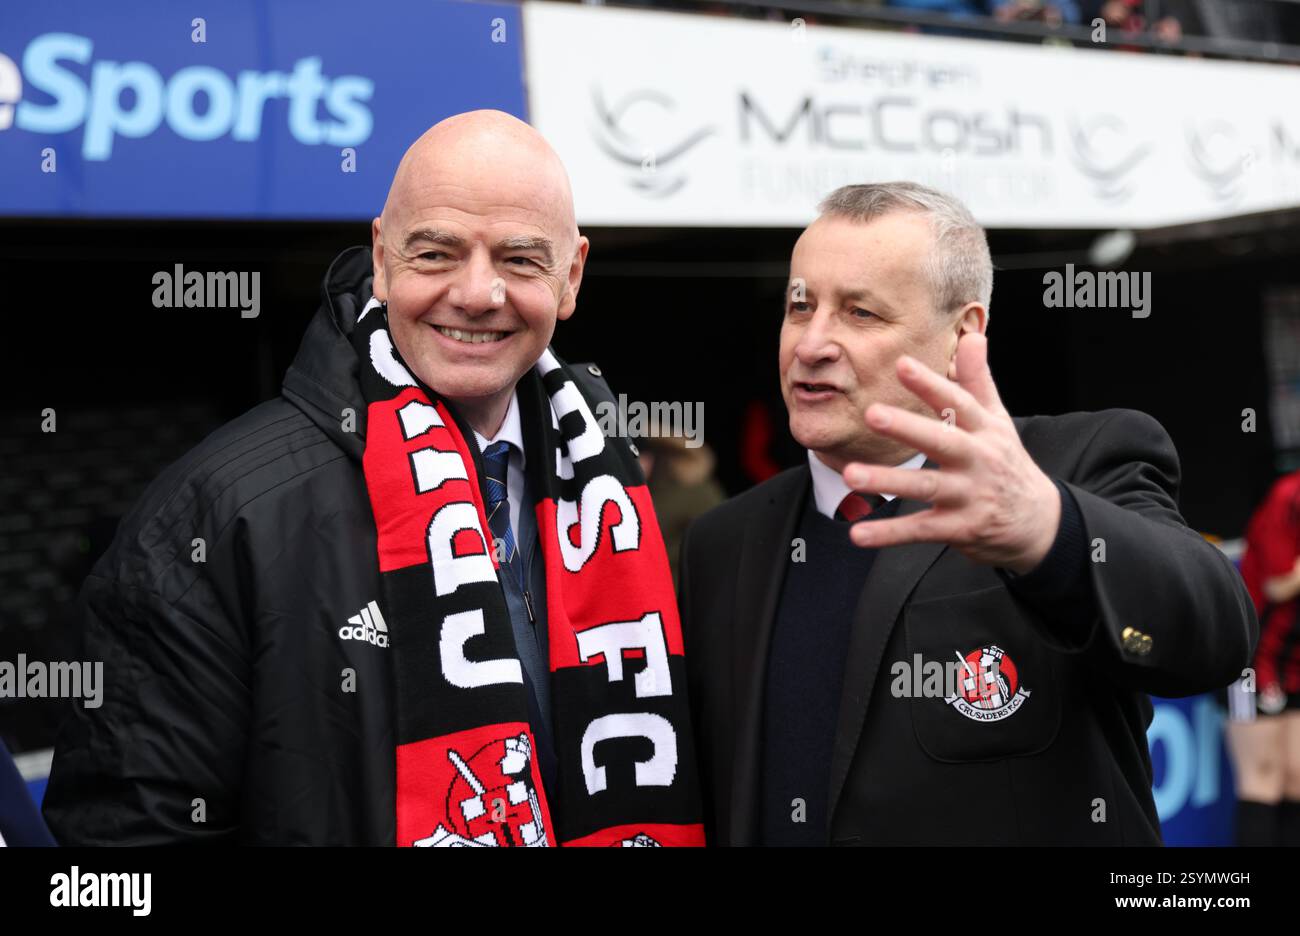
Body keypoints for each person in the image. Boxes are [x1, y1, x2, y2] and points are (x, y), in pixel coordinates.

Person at [42, 110, 703, 847]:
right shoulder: (219, 513)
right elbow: (127, 841)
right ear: (382, 257)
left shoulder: (626, 488)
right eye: (437, 253)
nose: (479, 294)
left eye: (520, 259)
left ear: (571, 275)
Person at [678, 181, 1256, 845]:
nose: (812, 343)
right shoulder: (723, 541)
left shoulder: (1077, 463)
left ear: (963, 335)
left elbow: (1212, 636)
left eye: (861, 314)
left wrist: (1050, 532)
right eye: (800, 305)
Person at [1227, 471, 1300, 846]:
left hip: (1295, 663)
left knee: (1296, 777)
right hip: (1254, 662)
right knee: (1262, 777)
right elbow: (1278, 582)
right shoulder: (1289, 497)